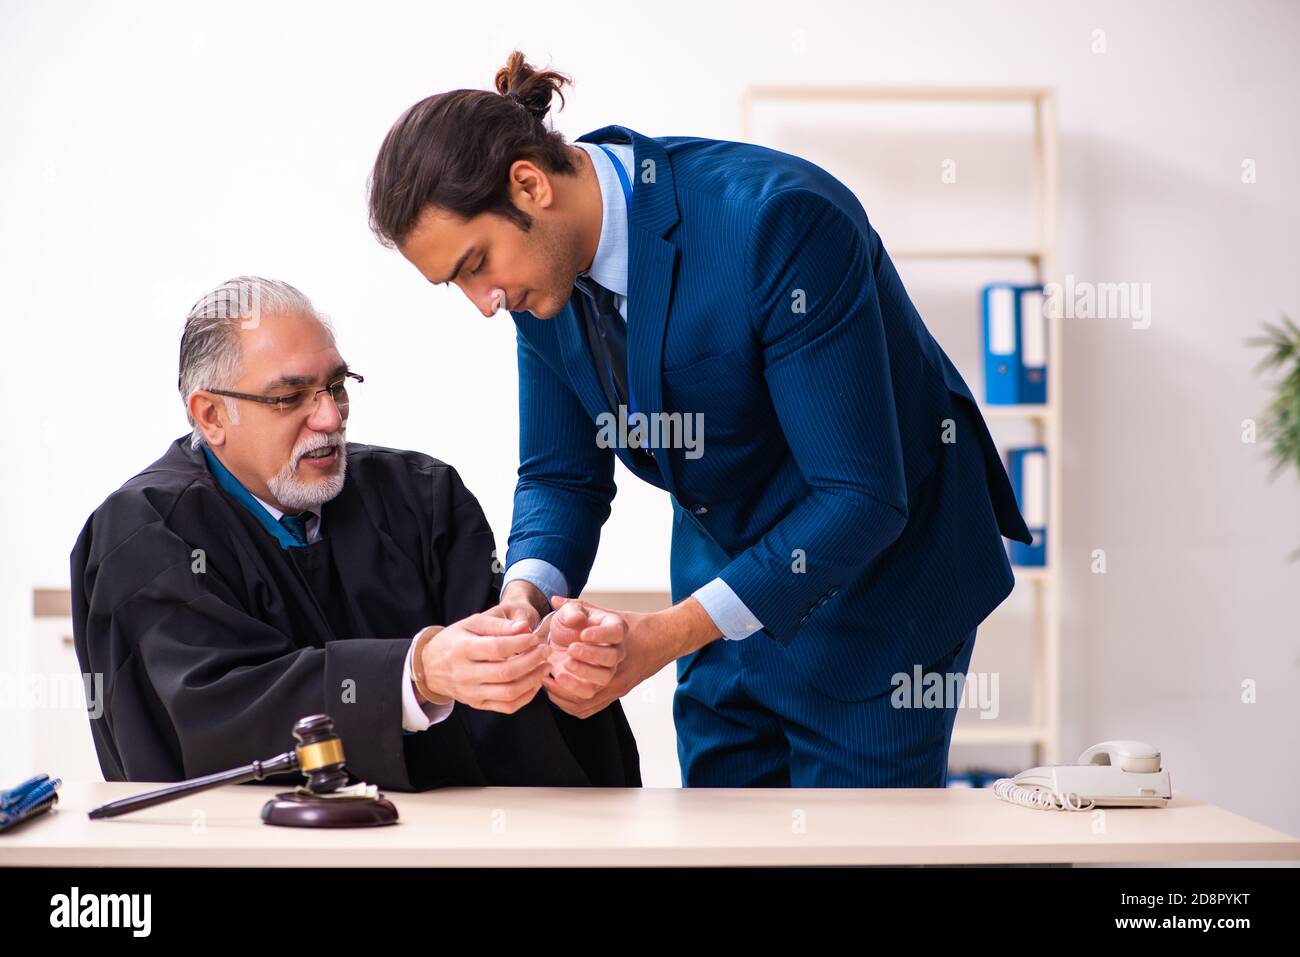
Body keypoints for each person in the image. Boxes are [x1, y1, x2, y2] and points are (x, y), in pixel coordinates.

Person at [366, 52, 1033, 787]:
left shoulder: (778, 221)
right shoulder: (537, 278)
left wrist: (662, 635)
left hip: (880, 592)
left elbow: (860, 496)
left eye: (474, 264)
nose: (482, 300)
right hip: (720, 585)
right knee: (721, 844)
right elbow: (561, 474)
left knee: (849, 852)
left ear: (529, 184)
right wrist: (523, 598)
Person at [69, 276, 639, 790]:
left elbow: (511, 709)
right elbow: (213, 715)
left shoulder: (422, 497)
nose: (330, 418)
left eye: (336, 385)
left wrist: (555, 655)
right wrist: (414, 674)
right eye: (290, 397)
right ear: (211, 415)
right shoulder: (143, 535)